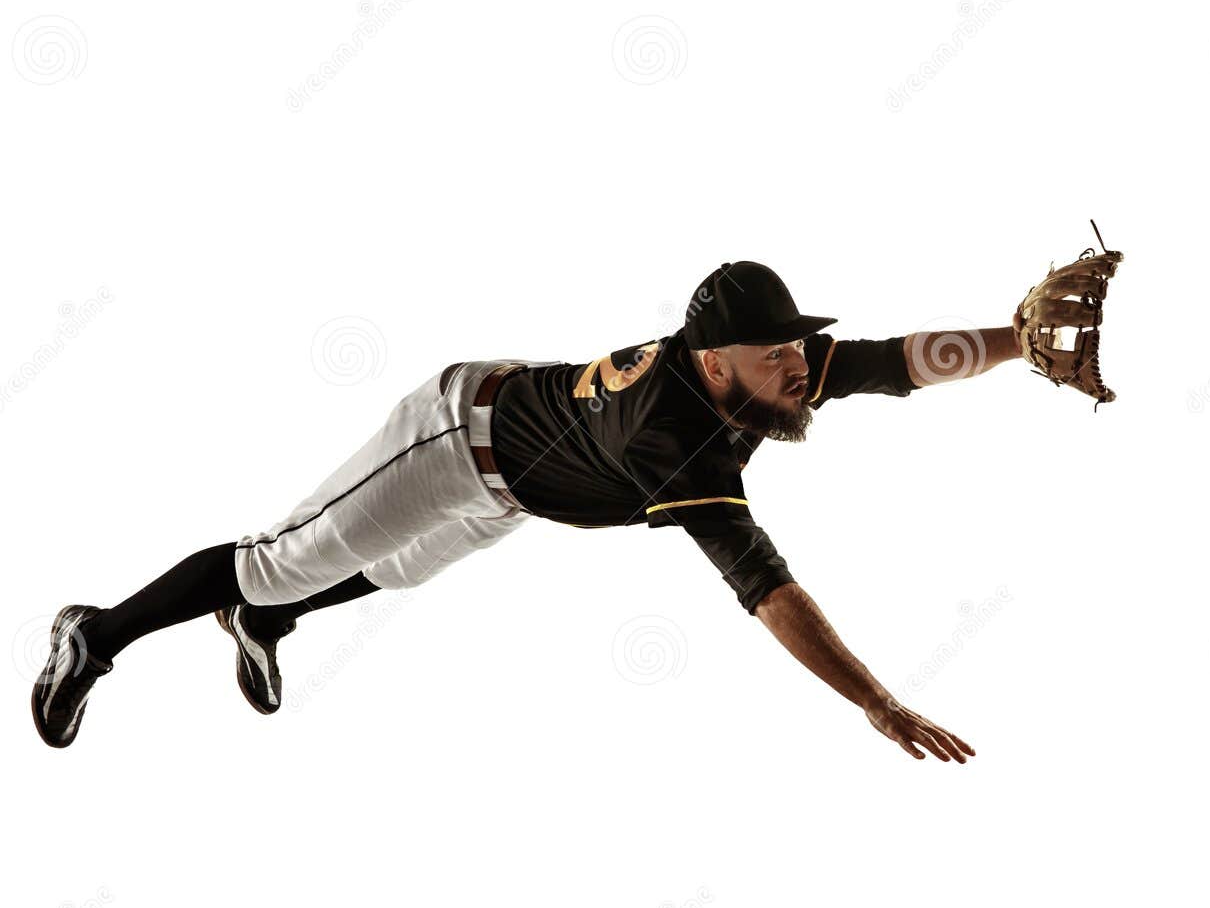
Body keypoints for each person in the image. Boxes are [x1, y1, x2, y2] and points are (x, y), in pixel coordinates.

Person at [33, 261, 1017, 762]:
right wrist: (878, 701)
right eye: (775, 353)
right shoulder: (668, 430)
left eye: (798, 347)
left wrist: (1014, 340)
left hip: (517, 482)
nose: (798, 366)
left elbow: (894, 362)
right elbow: (765, 584)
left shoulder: (763, 375)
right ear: (716, 360)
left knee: (396, 567)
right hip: (459, 436)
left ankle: (264, 622)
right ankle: (99, 632)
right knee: (288, 554)